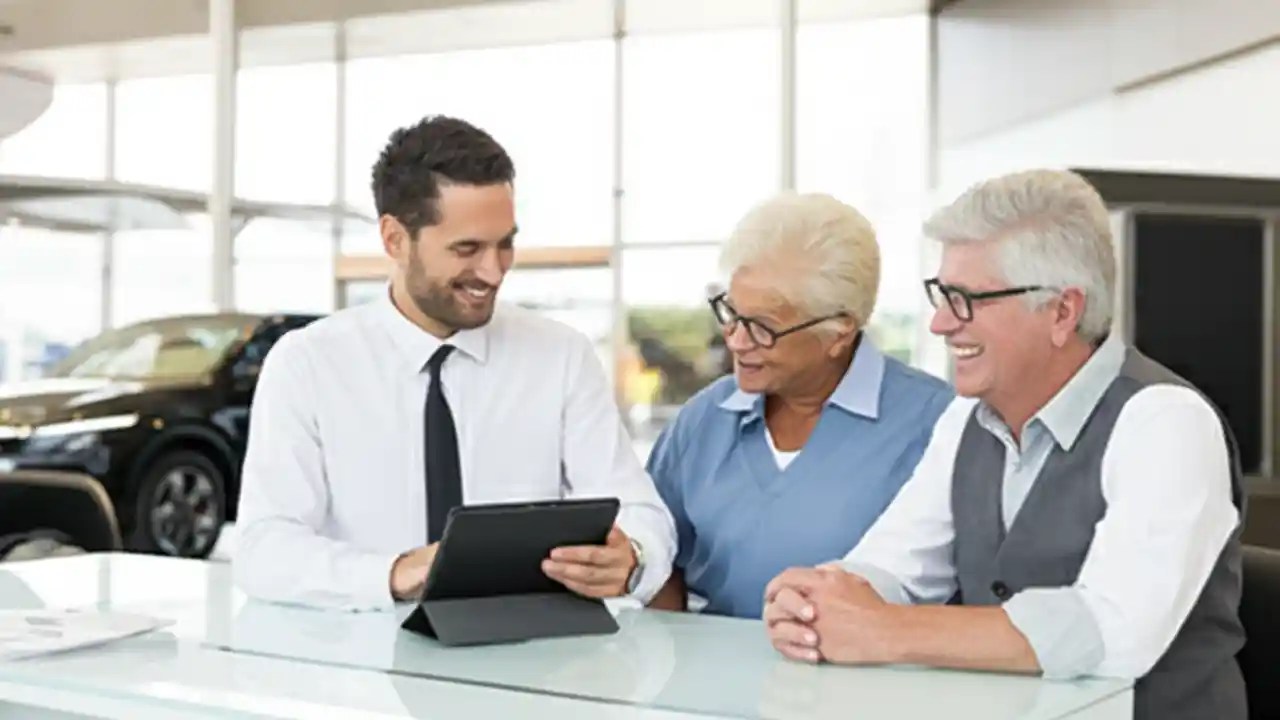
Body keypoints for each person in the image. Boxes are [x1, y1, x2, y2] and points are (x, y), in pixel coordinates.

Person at [764, 170, 1246, 720]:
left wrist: (886, 629)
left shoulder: (1165, 422)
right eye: (942, 294)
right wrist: (819, 600)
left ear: (1062, 311)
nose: (942, 323)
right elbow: (894, 567)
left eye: (966, 299)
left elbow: (1114, 632)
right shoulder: (964, 420)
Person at [232, 116, 676, 610]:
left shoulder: (561, 357)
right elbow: (263, 551)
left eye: (505, 243)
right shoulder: (308, 365)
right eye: (467, 249)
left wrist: (633, 556)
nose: (493, 271)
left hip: (531, 662)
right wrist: (397, 572)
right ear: (394, 239)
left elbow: (642, 513)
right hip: (364, 667)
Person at [645, 192, 953, 618]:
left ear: (840, 331)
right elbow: (659, 559)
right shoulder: (702, 420)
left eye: (763, 327)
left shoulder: (938, 423)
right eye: (731, 313)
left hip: (870, 681)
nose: (735, 340)